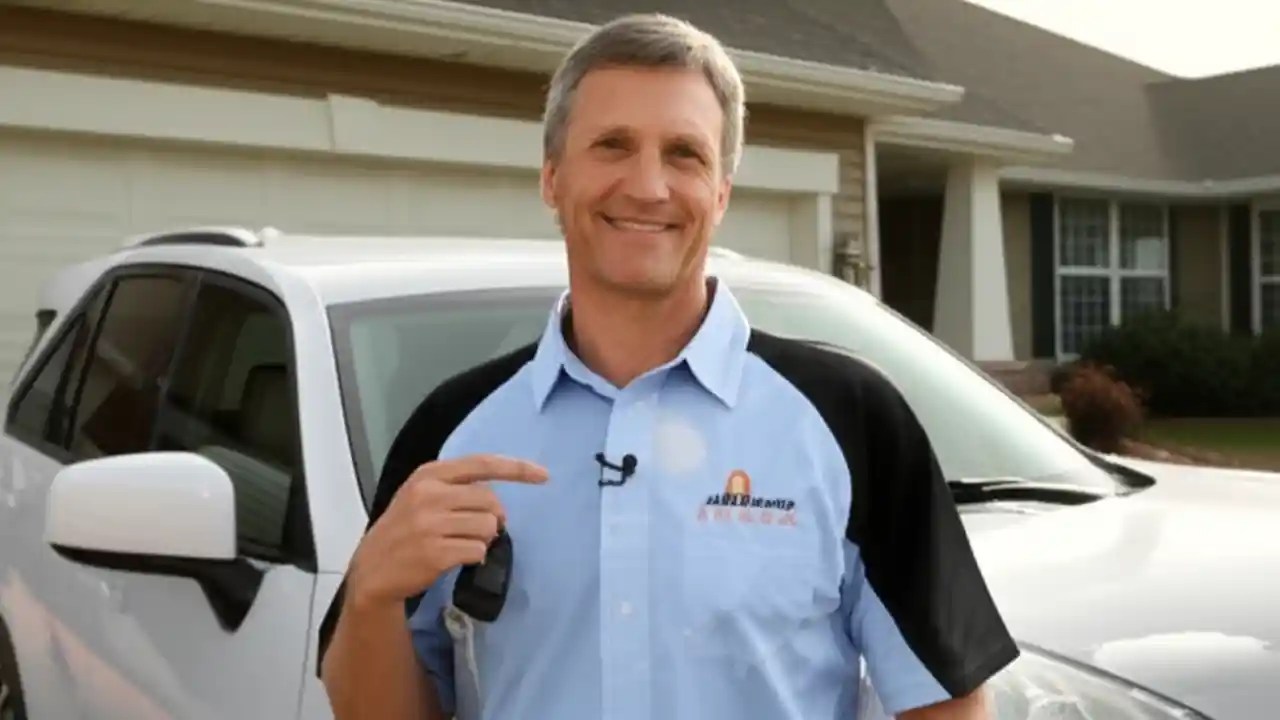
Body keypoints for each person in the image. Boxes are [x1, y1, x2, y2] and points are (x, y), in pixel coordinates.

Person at [317, 12, 1018, 720]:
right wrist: (373, 590)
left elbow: (948, 704)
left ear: (721, 192)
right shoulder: (455, 431)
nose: (648, 186)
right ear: (553, 178)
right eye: (612, 145)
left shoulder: (853, 421)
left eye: (684, 153)